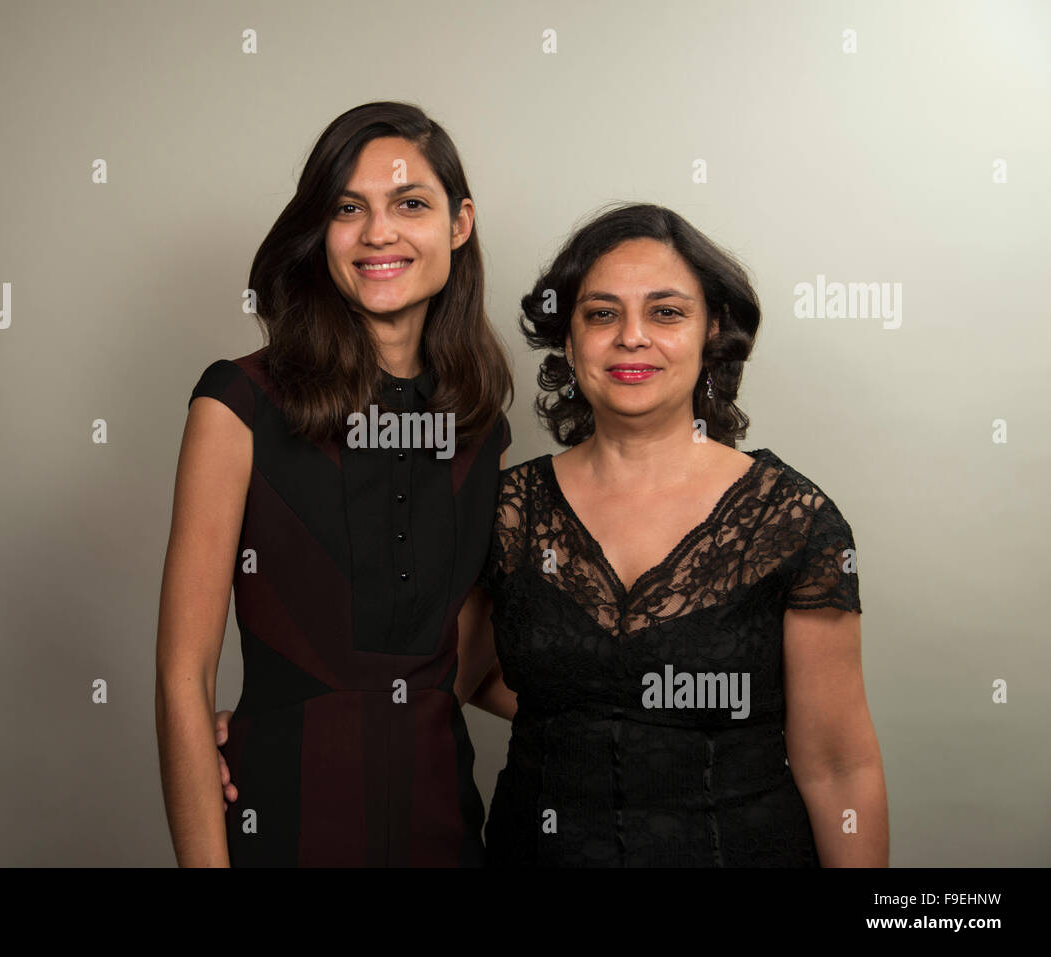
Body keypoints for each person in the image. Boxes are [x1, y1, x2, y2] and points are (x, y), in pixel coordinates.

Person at [470, 202, 888, 866]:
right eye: (602, 313)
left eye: (666, 312)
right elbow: (438, 675)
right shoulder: (504, 509)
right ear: (569, 339)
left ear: (711, 331)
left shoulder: (794, 519)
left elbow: (839, 764)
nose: (632, 336)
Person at [156, 101, 512, 867]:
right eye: (348, 208)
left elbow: (469, 660)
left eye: (409, 203)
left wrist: (652, 707)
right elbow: (182, 678)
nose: (378, 232)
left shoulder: (482, 430)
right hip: (282, 828)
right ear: (321, 231)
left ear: (459, 224)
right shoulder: (237, 403)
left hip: (446, 835)